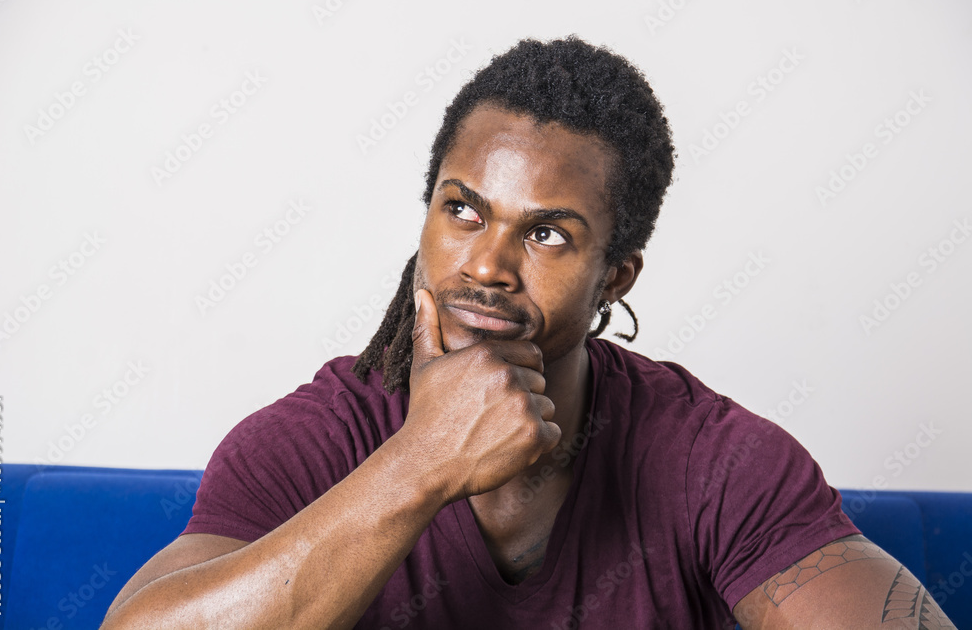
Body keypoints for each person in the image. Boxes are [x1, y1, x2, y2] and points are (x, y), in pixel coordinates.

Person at [101, 37, 955, 629]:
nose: (487, 263)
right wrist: (422, 461)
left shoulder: (712, 460)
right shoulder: (318, 439)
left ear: (614, 277)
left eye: (547, 233)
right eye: (463, 210)